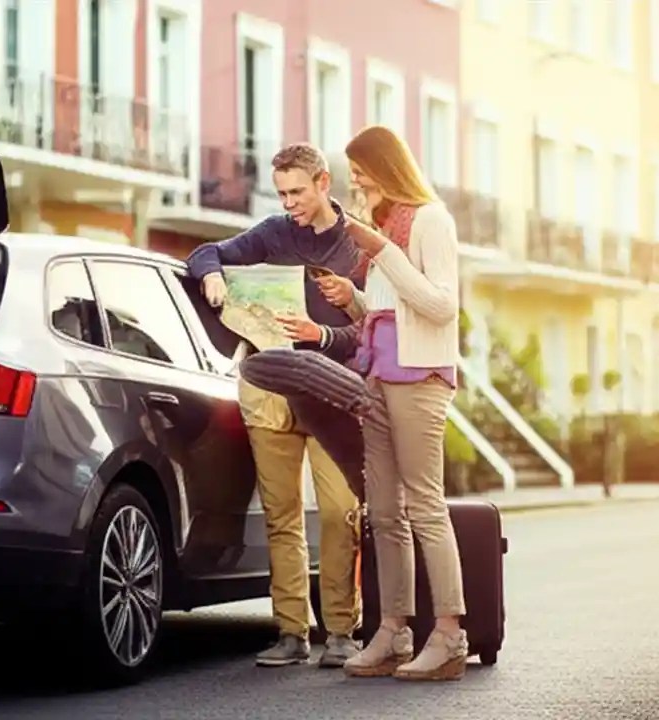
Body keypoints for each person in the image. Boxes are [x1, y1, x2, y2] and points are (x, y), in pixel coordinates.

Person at [185, 142, 364, 668]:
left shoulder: (357, 247)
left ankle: (341, 632)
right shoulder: (272, 233)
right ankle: (291, 632)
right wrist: (212, 275)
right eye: (282, 193)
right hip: (268, 388)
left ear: (324, 183)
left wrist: (321, 333)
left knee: (339, 511)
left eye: (298, 192)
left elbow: (370, 332)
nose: (289, 203)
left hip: (332, 389)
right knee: (281, 515)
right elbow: (204, 253)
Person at [312, 125, 469, 681]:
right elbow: (383, 314)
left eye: (362, 172)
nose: (356, 182)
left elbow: (440, 305)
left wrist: (381, 251)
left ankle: (449, 635)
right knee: (382, 511)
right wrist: (351, 298)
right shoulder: (380, 229)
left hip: (420, 378)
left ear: (387, 168)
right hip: (376, 377)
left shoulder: (430, 220)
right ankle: (394, 630)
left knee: (424, 504)